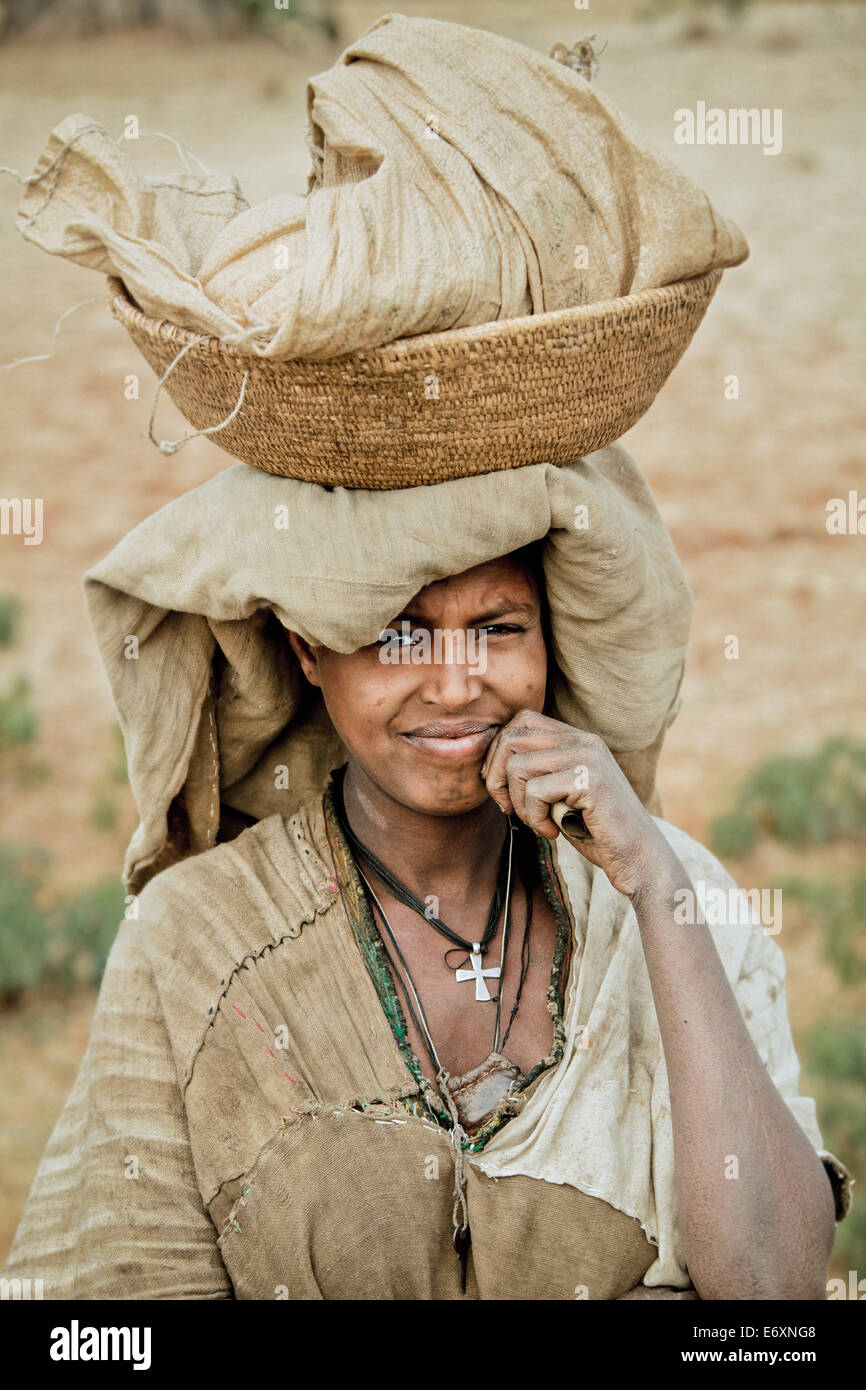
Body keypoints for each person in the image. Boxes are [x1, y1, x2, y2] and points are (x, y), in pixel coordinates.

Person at [2, 446, 852, 1299]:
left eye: (499, 629)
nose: (453, 685)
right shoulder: (196, 939)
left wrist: (661, 893)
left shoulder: (669, 893)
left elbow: (772, 1308)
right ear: (308, 649)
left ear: (551, 639)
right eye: (398, 635)